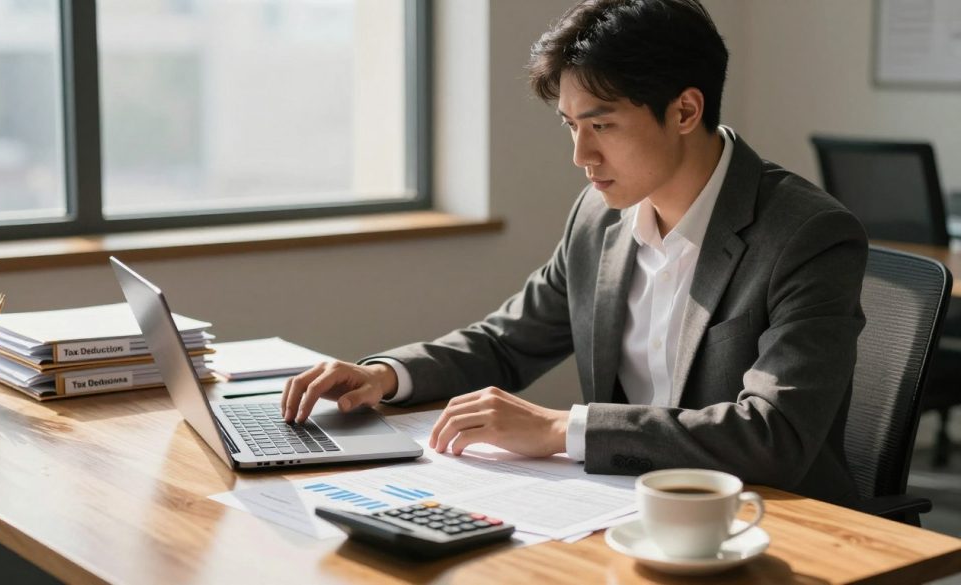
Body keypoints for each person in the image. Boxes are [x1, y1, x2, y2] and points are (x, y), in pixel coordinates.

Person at [282, 0, 867, 505]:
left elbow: (774, 436)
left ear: (685, 111)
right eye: (570, 126)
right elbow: (508, 342)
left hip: (768, 522)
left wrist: (563, 428)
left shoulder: (806, 233)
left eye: (602, 126)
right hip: (623, 506)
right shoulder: (599, 216)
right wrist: (384, 374)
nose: (580, 155)